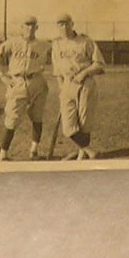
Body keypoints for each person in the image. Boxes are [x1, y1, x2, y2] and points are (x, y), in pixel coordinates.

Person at [0, 15, 50, 160]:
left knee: (37, 117)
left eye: (33, 25)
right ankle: (3, 154)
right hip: (18, 82)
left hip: (37, 82)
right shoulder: (13, 42)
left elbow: (59, 53)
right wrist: (3, 77)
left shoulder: (43, 44)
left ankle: (34, 151)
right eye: (27, 25)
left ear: (37, 27)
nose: (30, 28)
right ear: (21, 27)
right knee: (12, 119)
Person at [50, 13, 106, 160]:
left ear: (72, 24)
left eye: (66, 23)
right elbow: (56, 70)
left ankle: (81, 156)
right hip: (67, 84)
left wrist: (85, 73)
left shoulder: (85, 41)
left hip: (85, 83)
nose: (64, 27)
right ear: (57, 27)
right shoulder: (56, 44)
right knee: (68, 127)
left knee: (84, 123)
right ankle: (89, 151)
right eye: (60, 24)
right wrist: (61, 88)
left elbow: (99, 64)